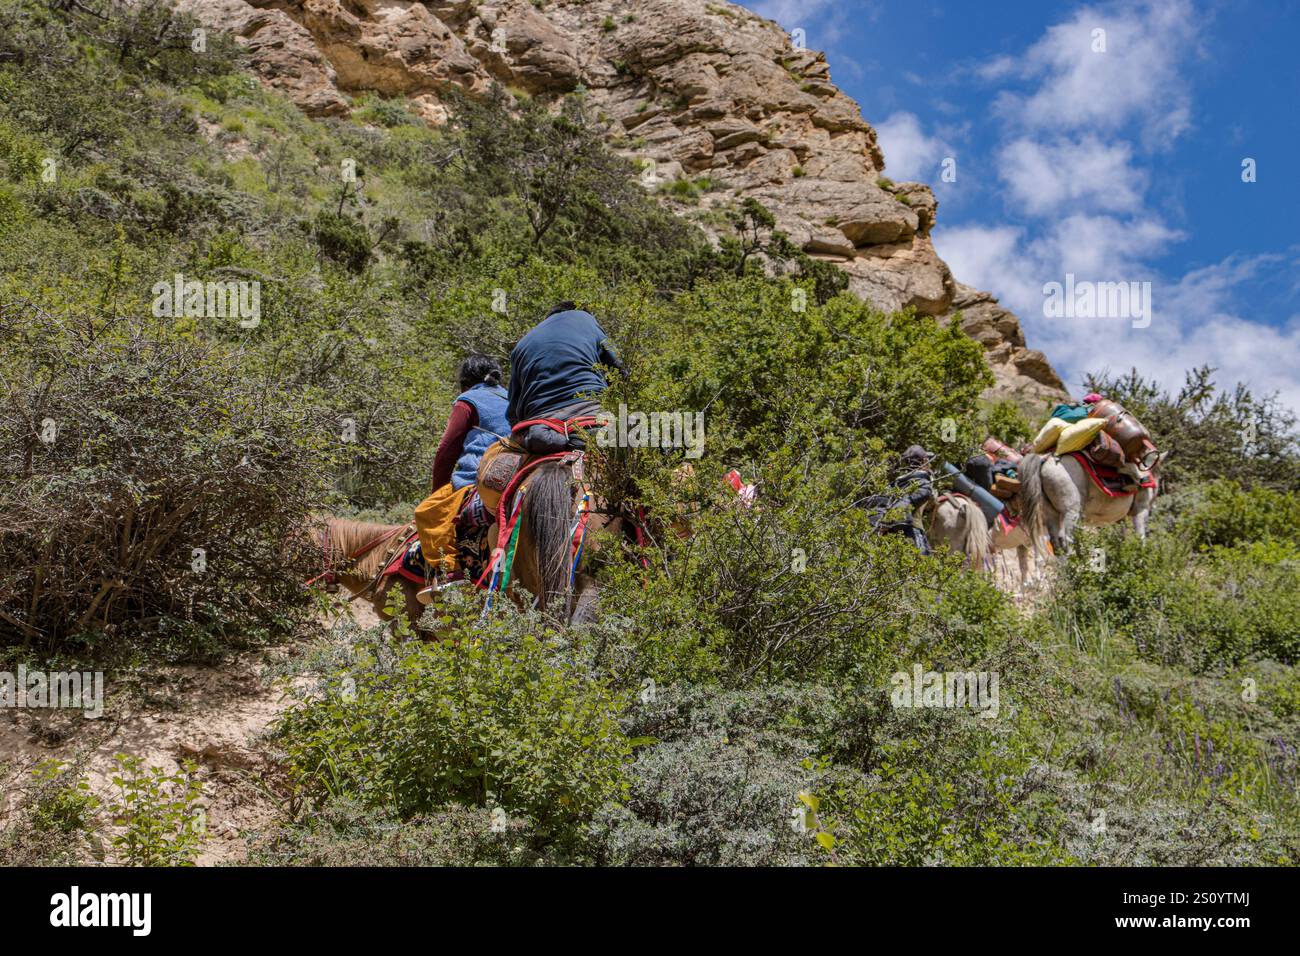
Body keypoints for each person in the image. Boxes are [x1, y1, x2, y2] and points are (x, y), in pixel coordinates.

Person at [413, 355, 510, 592]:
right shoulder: (512, 396)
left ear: (465, 383)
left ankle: (449, 572)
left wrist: (439, 493)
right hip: (515, 469)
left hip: (478, 475)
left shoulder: (468, 400)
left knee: (425, 513)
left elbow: (446, 450)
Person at [506, 302, 626, 453]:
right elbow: (619, 372)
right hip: (592, 412)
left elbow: (513, 412)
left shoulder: (521, 345)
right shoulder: (587, 319)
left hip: (542, 425)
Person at [865, 444, 936, 554]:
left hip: (890, 532)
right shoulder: (924, 483)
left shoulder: (896, 484)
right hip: (912, 532)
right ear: (924, 461)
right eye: (928, 460)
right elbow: (912, 501)